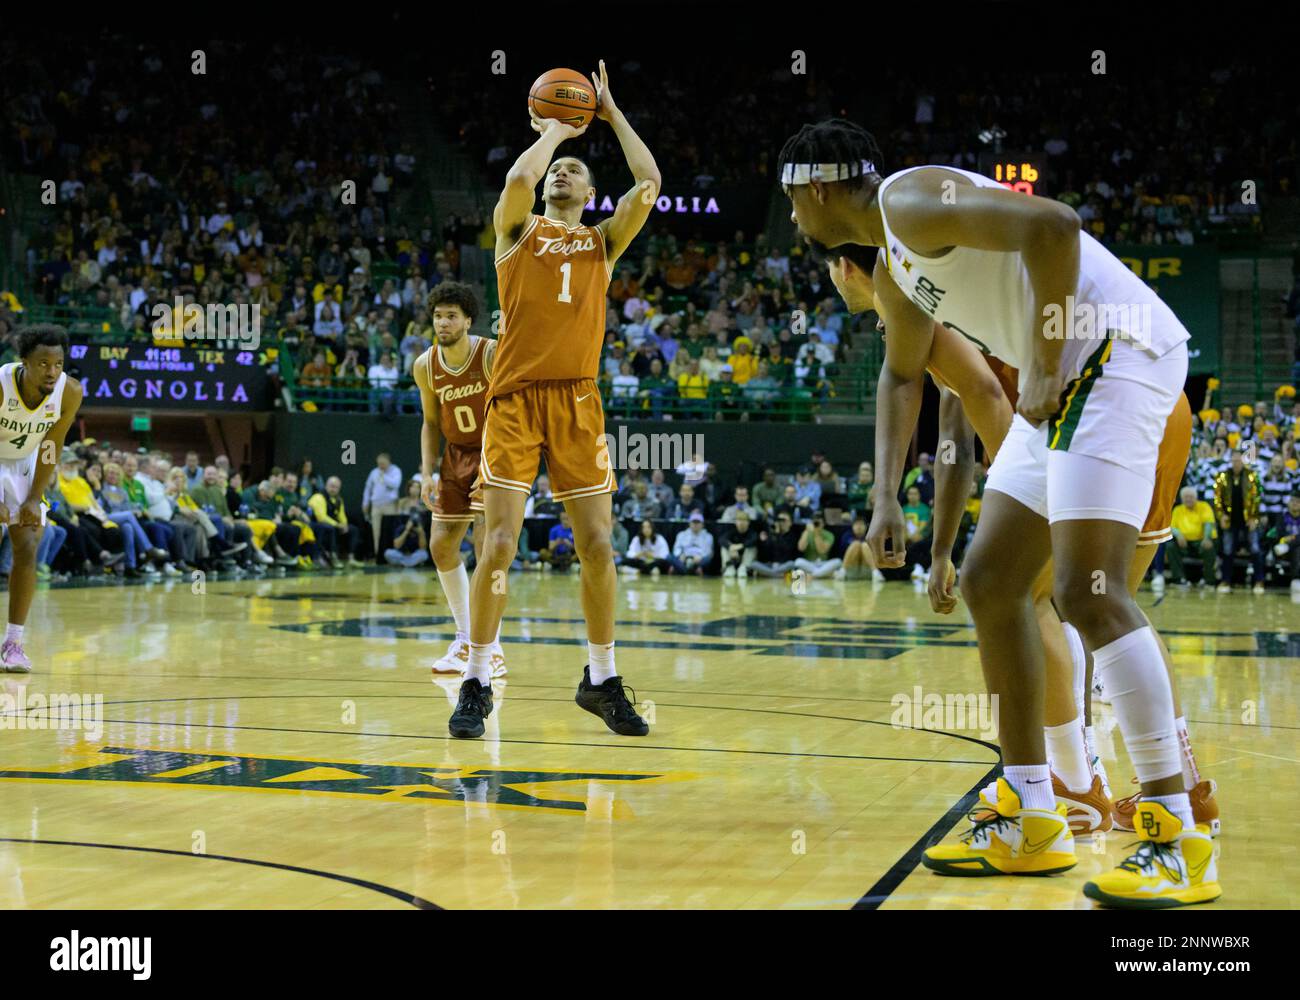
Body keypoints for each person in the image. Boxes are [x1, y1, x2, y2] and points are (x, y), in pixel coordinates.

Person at [781, 118, 1215, 906]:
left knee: (1088, 591)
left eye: (791, 201)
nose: (791, 220)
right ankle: (1033, 814)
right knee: (990, 582)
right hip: (1076, 377)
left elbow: (1054, 225)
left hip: (1118, 353)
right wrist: (885, 497)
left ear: (813, 186)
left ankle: (1176, 832)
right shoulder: (894, 266)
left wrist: (1046, 360)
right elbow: (902, 377)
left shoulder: (908, 197)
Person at [458, 59, 658, 740]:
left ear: (592, 191)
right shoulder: (518, 233)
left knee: (599, 544)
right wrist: (553, 130)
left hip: (578, 402)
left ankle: (601, 678)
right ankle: (477, 680)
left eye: (574, 171)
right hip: (515, 401)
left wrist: (609, 114)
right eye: (556, 172)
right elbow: (519, 179)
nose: (561, 174)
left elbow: (650, 183)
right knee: (501, 543)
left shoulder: (602, 242)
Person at [412, 281, 506, 678]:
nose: (443, 322)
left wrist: (493, 466)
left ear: (468, 320)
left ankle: (493, 647)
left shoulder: (489, 354)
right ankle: (466, 638)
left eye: (451, 315)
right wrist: (427, 472)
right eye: (438, 315)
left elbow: (506, 414)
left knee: (489, 548)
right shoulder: (425, 365)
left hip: (496, 452)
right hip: (454, 456)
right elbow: (431, 422)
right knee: (441, 546)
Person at [0, 326, 84, 669]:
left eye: (58, 363)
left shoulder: (69, 392)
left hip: (26, 460)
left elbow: (52, 445)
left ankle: (13, 644)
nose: (52, 371)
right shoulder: (1, 385)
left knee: (29, 543)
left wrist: (35, 498)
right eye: (43, 363)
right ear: (24, 363)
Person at [1213, 448, 1265, 594]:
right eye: (1234, 460)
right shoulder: (1222, 476)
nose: (1236, 463)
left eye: (1239, 460)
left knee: (1255, 549)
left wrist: (1254, 517)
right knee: (1228, 551)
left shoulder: (1252, 476)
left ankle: (1259, 581)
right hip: (1230, 520)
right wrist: (1221, 515)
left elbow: (1257, 498)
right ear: (1231, 461)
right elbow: (1217, 499)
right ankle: (1225, 581)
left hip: (1248, 520)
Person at [1168, 486, 1219, 586]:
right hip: (1184, 543)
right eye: (1186, 497)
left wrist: (1206, 538)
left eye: (1191, 497)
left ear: (1196, 498)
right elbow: (1171, 527)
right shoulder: (1177, 510)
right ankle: (1179, 579)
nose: (1188, 499)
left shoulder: (1204, 506)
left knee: (1209, 547)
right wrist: (1178, 535)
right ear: (1182, 499)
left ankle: (1209, 581)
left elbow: (1208, 524)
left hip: (1200, 541)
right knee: (1170, 546)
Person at [361, 452, 402, 559]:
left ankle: (390, 556)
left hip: (390, 505)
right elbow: (368, 488)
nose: (380, 466)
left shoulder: (395, 471)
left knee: (390, 530)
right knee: (376, 531)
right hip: (376, 506)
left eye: (383, 463)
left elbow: (395, 484)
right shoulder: (374, 472)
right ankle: (377, 555)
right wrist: (365, 503)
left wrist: (384, 475)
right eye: (379, 463)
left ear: (389, 462)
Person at [795, 511, 842, 579]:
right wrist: (806, 531)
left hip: (824, 564)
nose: (816, 525)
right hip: (809, 563)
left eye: (818, 523)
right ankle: (824, 574)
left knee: (838, 561)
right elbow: (801, 548)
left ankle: (813, 575)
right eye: (815, 523)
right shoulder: (807, 533)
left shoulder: (829, 535)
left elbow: (822, 550)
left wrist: (816, 533)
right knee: (798, 562)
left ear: (823, 524)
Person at [670, 510, 714, 575]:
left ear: (702, 524)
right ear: (689, 523)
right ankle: (692, 570)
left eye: (698, 522)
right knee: (669, 557)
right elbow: (676, 548)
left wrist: (700, 557)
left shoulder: (708, 536)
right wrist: (680, 555)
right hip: (684, 559)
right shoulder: (681, 534)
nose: (695, 525)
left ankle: (685, 570)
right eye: (693, 522)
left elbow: (708, 551)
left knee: (707, 559)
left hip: (699, 560)